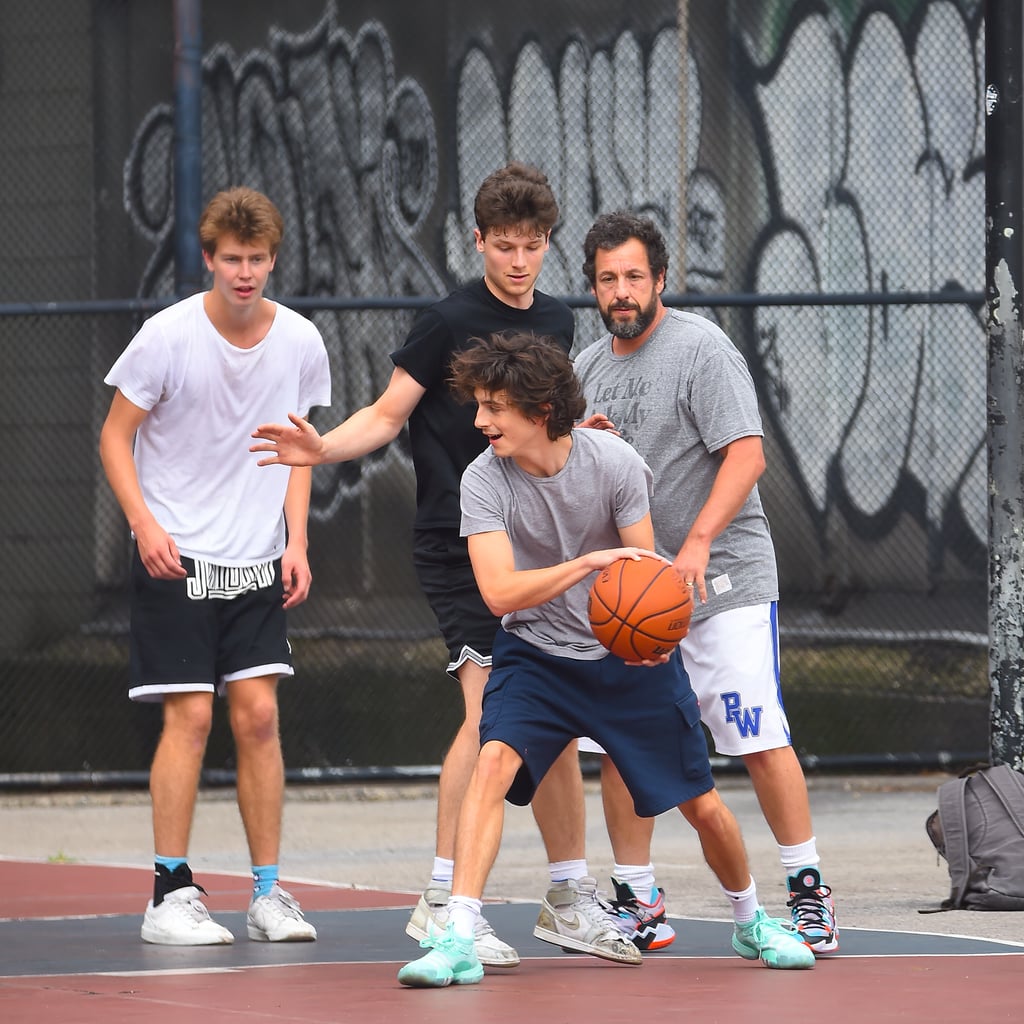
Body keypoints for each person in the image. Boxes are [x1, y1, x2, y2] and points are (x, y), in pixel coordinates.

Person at [250, 163, 656, 965]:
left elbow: (546, 424)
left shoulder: (558, 319)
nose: (518, 260)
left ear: (548, 244)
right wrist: (321, 449)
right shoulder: (445, 321)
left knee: (557, 717)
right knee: (489, 718)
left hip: (537, 545)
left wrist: (582, 433)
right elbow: (386, 414)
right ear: (477, 241)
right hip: (458, 540)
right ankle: (442, 902)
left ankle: (568, 898)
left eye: (531, 246)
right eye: (503, 245)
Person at [396, 332, 815, 987]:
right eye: (478, 405)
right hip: (536, 656)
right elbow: (499, 593)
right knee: (492, 764)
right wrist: (585, 563)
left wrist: (653, 635)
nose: (479, 421)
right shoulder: (483, 480)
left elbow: (645, 576)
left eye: (494, 408)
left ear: (540, 411)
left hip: (624, 659)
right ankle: (457, 935)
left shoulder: (615, 463)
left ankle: (752, 920)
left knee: (701, 803)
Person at [573, 210, 839, 955]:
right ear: (592, 287)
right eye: (607, 279)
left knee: (757, 736)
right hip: (636, 593)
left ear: (660, 279)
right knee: (622, 744)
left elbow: (747, 456)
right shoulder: (586, 368)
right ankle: (639, 900)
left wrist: (694, 547)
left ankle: (807, 891)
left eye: (634, 276)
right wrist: (583, 447)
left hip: (722, 581)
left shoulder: (701, 349)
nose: (621, 291)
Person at [99, 186, 330, 946]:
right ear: (208, 258)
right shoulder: (166, 337)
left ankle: (267, 894)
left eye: (257, 259)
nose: (245, 272)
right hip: (179, 555)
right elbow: (114, 436)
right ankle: (168, 893)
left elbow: (299, 450)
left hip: (257, 556)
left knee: (258, 717)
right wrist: (144, 525)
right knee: (192, 717)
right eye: (232, 259)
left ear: (273, 260)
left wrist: (297, 541)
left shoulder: (300, 341)